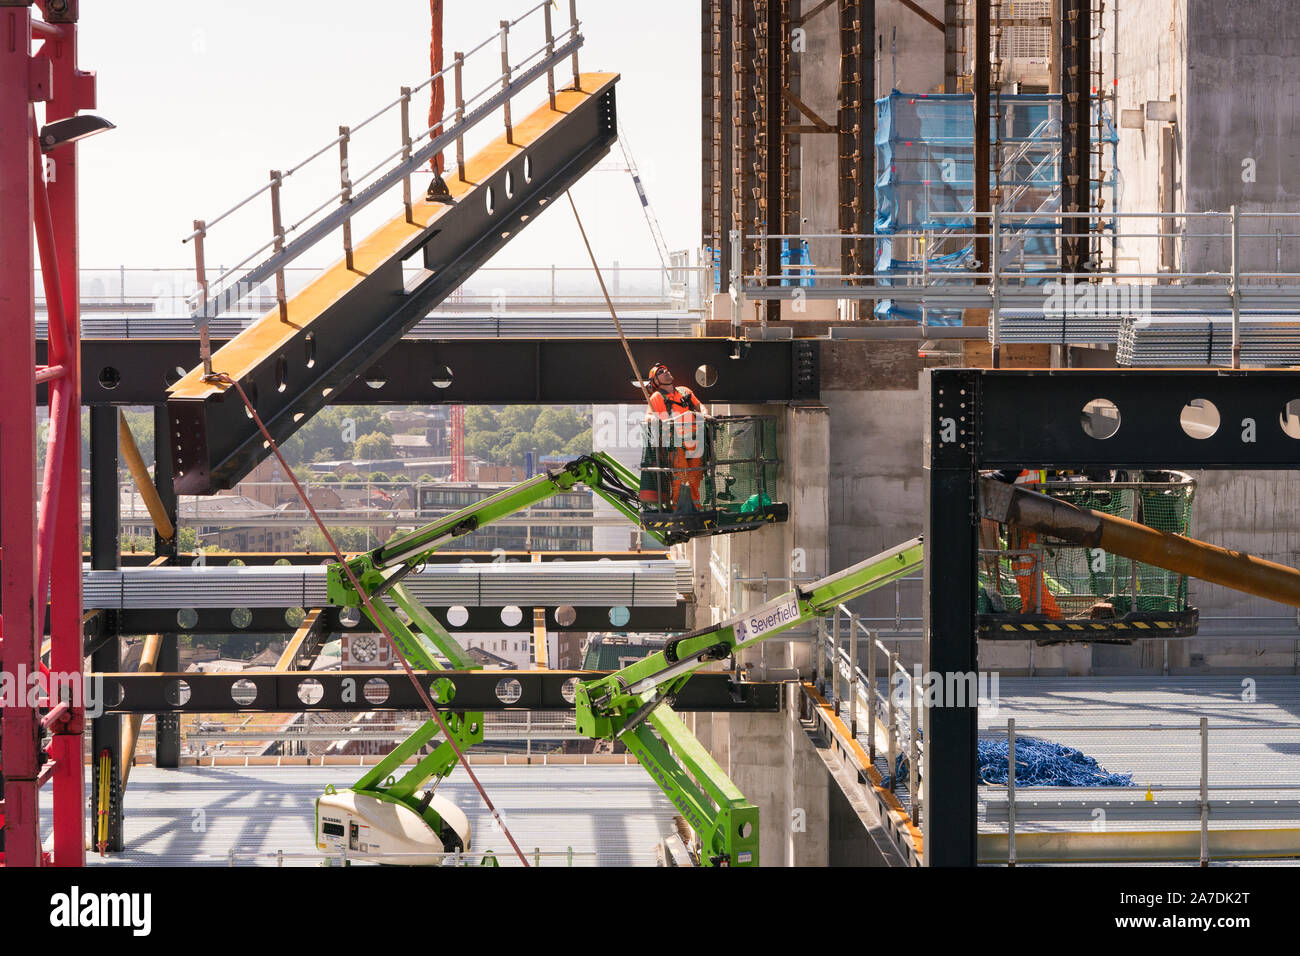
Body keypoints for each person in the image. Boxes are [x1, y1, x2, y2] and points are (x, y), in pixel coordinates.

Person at [643, 363, 708, 510]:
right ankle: (679, 509)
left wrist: (704, 414)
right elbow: (648, 416)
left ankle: (696, 508)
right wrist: (655, 420)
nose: (666, 371)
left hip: (694, 440)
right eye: (661, 372)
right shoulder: (656, 398)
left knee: (695, 476)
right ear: (656, 381)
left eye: (666, 369)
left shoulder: (684, 391)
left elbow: (700, 406)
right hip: (675, 443)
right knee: (681, 477)